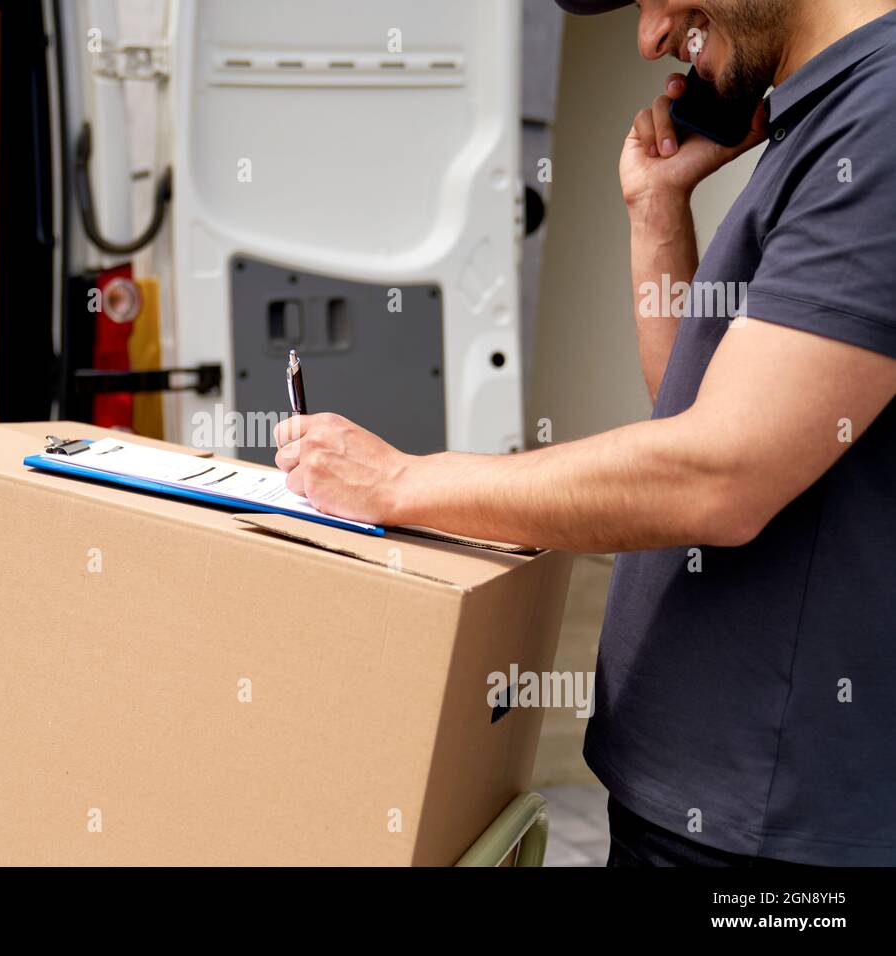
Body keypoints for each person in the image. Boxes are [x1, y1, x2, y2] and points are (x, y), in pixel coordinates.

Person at [274, 0, 896, 865]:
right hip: (697, 800)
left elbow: (721, 475)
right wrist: (656, 207)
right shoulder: (824, 107)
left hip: (779, 835)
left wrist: (402, 484)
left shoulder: (882, 114)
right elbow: (698, 416)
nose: (649, 37)